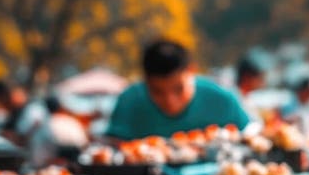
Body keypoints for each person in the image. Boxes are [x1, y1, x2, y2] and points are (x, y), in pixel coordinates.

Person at [105, 39, 252, 140]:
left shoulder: (223, 100)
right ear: (146, 81)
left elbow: (251, 136)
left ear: (192, 71)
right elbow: (113, 146)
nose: (170, 102)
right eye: (157, 92)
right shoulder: (129, 101)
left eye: (178, 89)